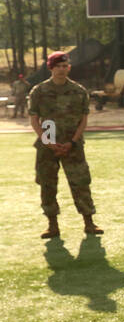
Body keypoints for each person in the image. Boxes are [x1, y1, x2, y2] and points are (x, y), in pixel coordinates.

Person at [28, 52, 100, 238]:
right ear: (51, 68)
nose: (61, 69)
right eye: (58, 66)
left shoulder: (79, 91)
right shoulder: (39, 91)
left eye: (65, 66)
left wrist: (72, 141)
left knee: (81, 183)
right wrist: (49, 142)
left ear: (69, 67)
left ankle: (89, 222)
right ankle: (52, 225)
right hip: (47, 146)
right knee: (48, 185)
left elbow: (83, 120)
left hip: (73, 145)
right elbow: (34, 119)